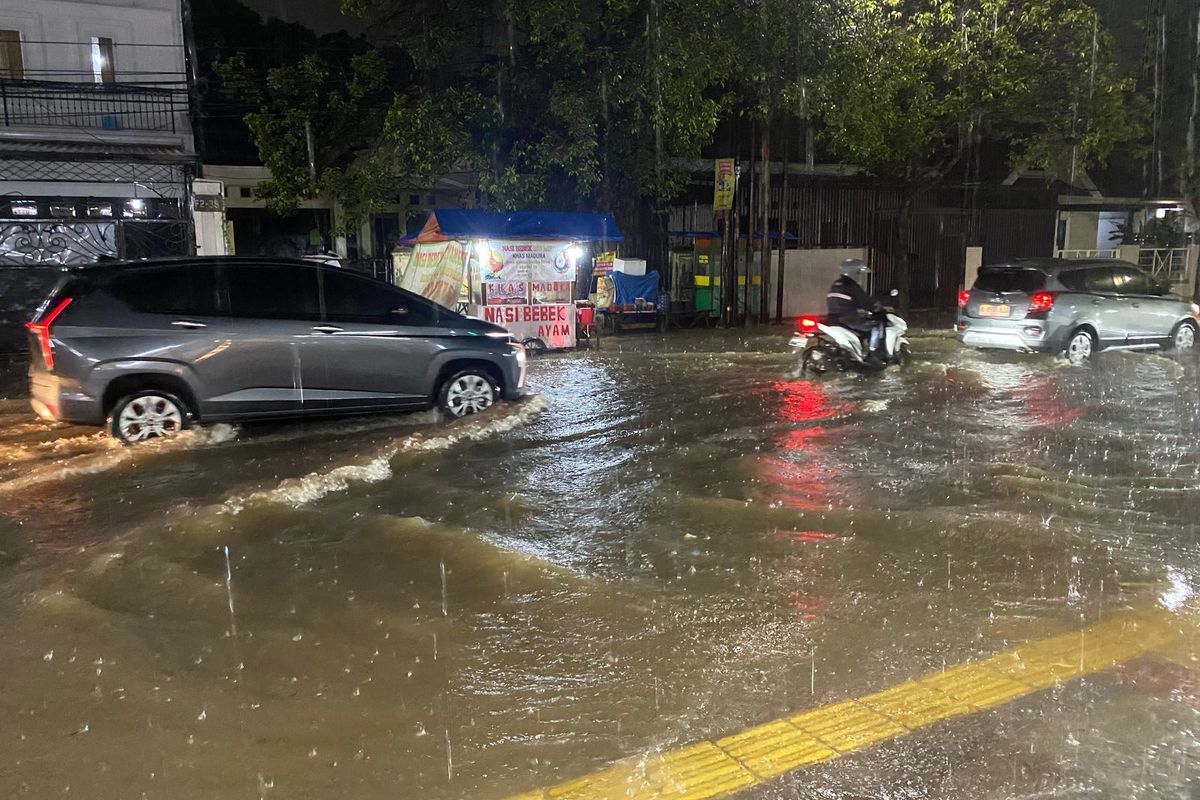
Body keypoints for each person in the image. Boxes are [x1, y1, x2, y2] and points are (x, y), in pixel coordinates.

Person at [826, 258, 885, 363]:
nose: (860, 276)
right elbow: (866, 302)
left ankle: (856, 352)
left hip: (833, 319)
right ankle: (873, 356)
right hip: (849, 319)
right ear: (854, 272)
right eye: (859, 273)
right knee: (876, 326)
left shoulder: (836, 284)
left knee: (861, 329)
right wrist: (876, 307)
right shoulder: (852, 286)